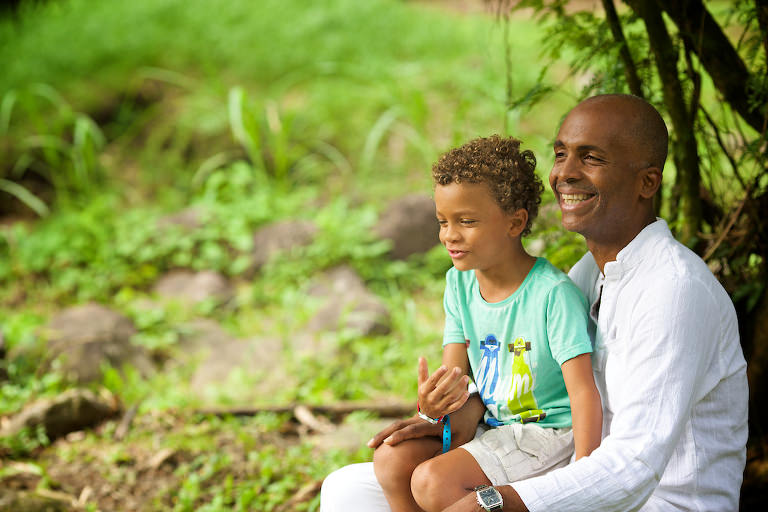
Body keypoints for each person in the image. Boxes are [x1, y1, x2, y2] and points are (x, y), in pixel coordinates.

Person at [321, 94, 749, 511]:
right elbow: (515, 376)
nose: (565, 173)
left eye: (591, 157)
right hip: (564, 466)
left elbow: (632, 468)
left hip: (649, 500)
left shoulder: (673, 291)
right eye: (561, 154)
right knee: (348, 490)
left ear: (647, 182)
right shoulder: (587, 274)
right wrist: (448, 419)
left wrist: (495, 501)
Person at [322, 135, 603, 511]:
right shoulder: (460, 284)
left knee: (432, 483)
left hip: (546, 434)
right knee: (391, 460)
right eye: (443, 221)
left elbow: (584, 393)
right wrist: (434, 406)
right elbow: (458, 383)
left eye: (466, 221)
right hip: (492, 426)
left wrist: (585, 480)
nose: (449, 235)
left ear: (515, 222)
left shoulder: (552, 294)